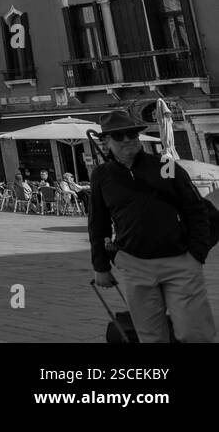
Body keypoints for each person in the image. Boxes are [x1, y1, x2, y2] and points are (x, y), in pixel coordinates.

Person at [90, 106, 216, 343]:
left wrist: (196, 254)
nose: (128, 140)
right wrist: (101, 266)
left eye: (132, 134)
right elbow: (98, 222)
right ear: (106, 141)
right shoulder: (102, 175)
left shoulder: (165, 165)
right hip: (134, 263)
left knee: (195, 333)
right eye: (119, 136)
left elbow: (195, 208)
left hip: (180, 261)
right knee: (150, 337)